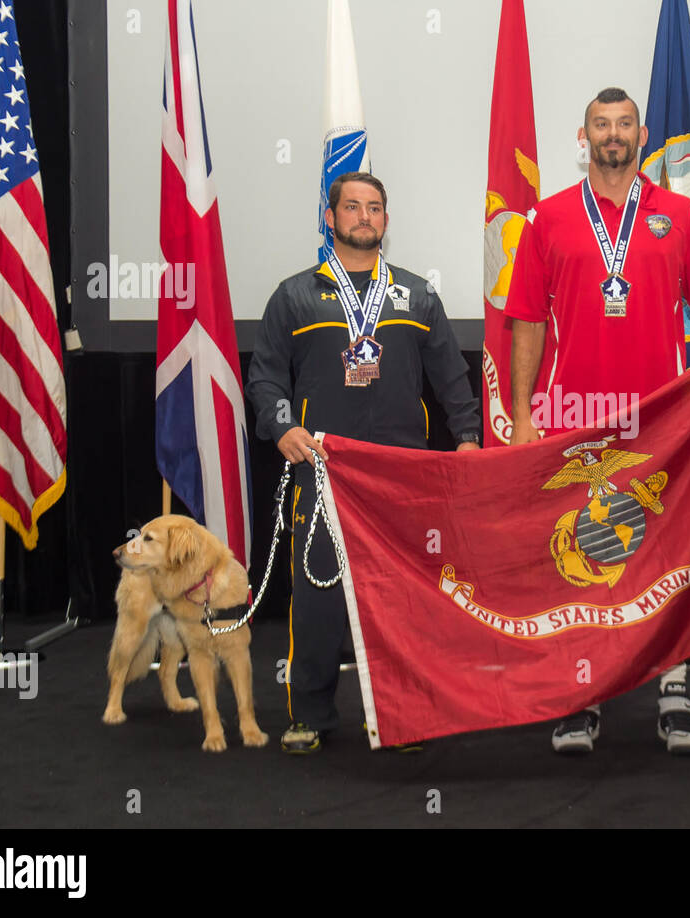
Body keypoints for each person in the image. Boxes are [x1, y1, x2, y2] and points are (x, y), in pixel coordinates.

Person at [504, 87, 690, 756]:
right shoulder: (547, 217)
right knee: (585, 553)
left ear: (642, 135)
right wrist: (522, 413)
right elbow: (526, 319)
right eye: (601, 125)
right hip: (573, 418)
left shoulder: (678, 213)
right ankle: (582, 695)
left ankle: (674, 693)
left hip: (663, 419)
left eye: (623, 125)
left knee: (667, 555)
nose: (613, 135)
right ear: (582, 136)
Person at [246, 172, 481, 754]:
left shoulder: (417, 295)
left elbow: (452, 377)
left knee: (404, 598)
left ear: (386, 220)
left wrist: (468, 437)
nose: (364, 217)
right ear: (330, 217)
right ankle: (310, 715)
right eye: (352, 207)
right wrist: (283, 426)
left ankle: (405, 716)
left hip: (402, 473)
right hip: (324, 467)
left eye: (374, 208)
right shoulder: (294, 296)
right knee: (317, 595)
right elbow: (266, 376)